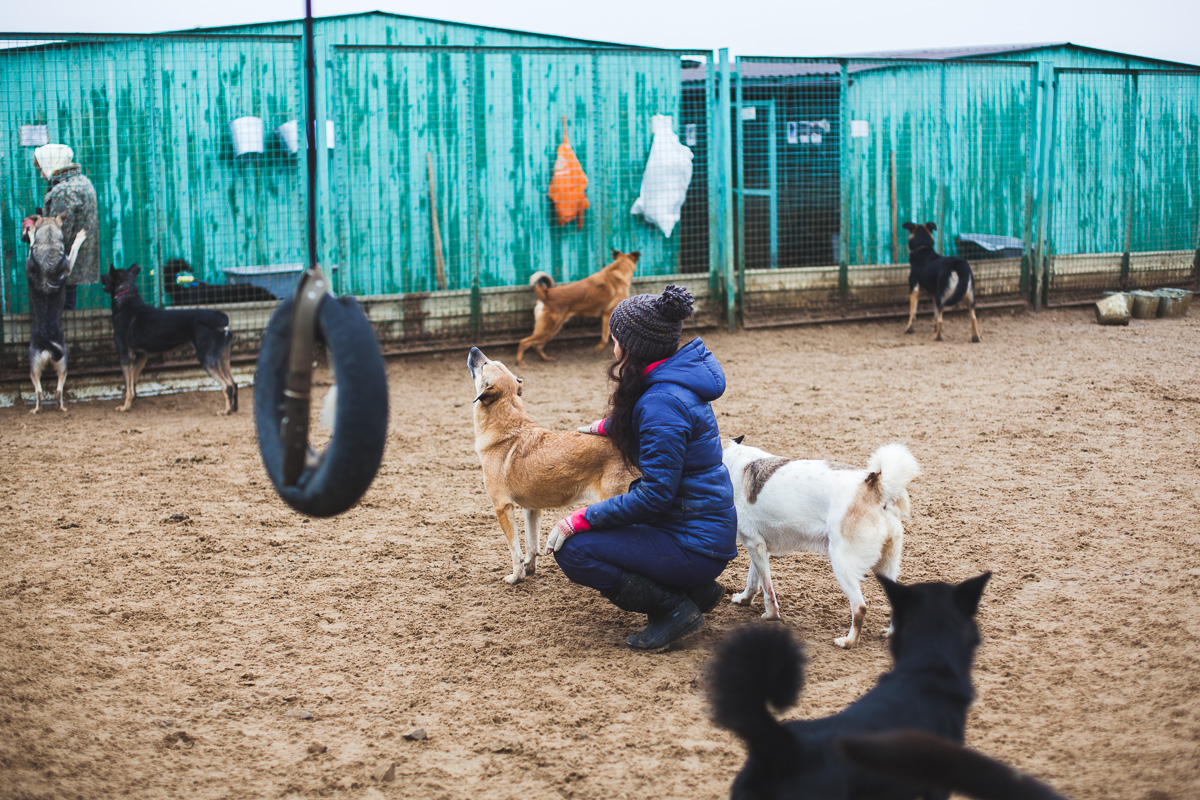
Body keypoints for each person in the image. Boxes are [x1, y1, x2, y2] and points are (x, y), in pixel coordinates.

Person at [546, 284, 737, 651]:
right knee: (613, 523)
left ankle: (673, 608)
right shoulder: (671, 382)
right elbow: (659, 430)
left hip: (694, 543)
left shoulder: (661, 402)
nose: (612, 345)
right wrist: (606, 427)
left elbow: (655, 495)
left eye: (616, 338)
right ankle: (697, 590)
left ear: (631, 348)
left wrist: (581, 518)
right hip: (702, 530)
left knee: (575, 550)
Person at [34, 144, 99, 310]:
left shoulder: (64, 190)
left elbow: (58, 232)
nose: (41, 175)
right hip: (75, 256)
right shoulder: (82, 181)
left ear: (53, 162)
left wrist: (37, 228)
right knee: (68, 302)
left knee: (60, 307)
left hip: (61, 261)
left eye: (42, 168)